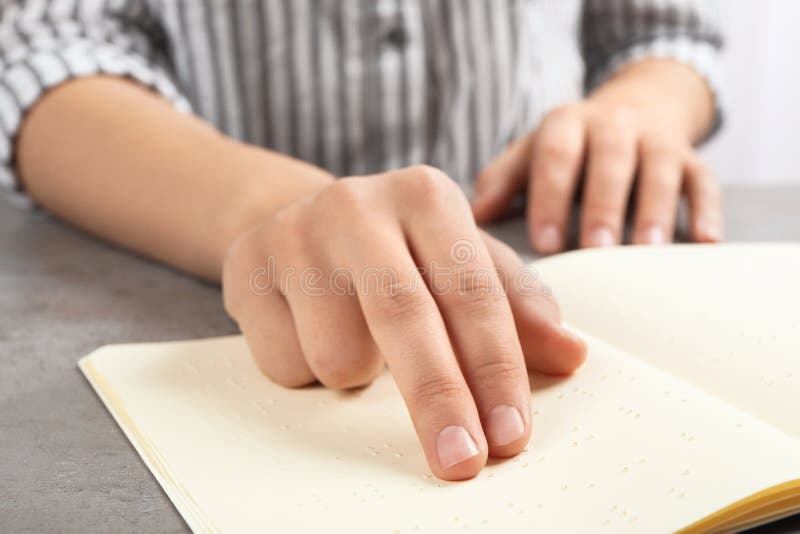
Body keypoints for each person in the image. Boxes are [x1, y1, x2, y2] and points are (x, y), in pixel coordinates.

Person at [0, 1, 723, 481]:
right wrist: (270, 209)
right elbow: (42, 56)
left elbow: (663, 33)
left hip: (535, 237)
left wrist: (639, 107)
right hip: (216, 256)